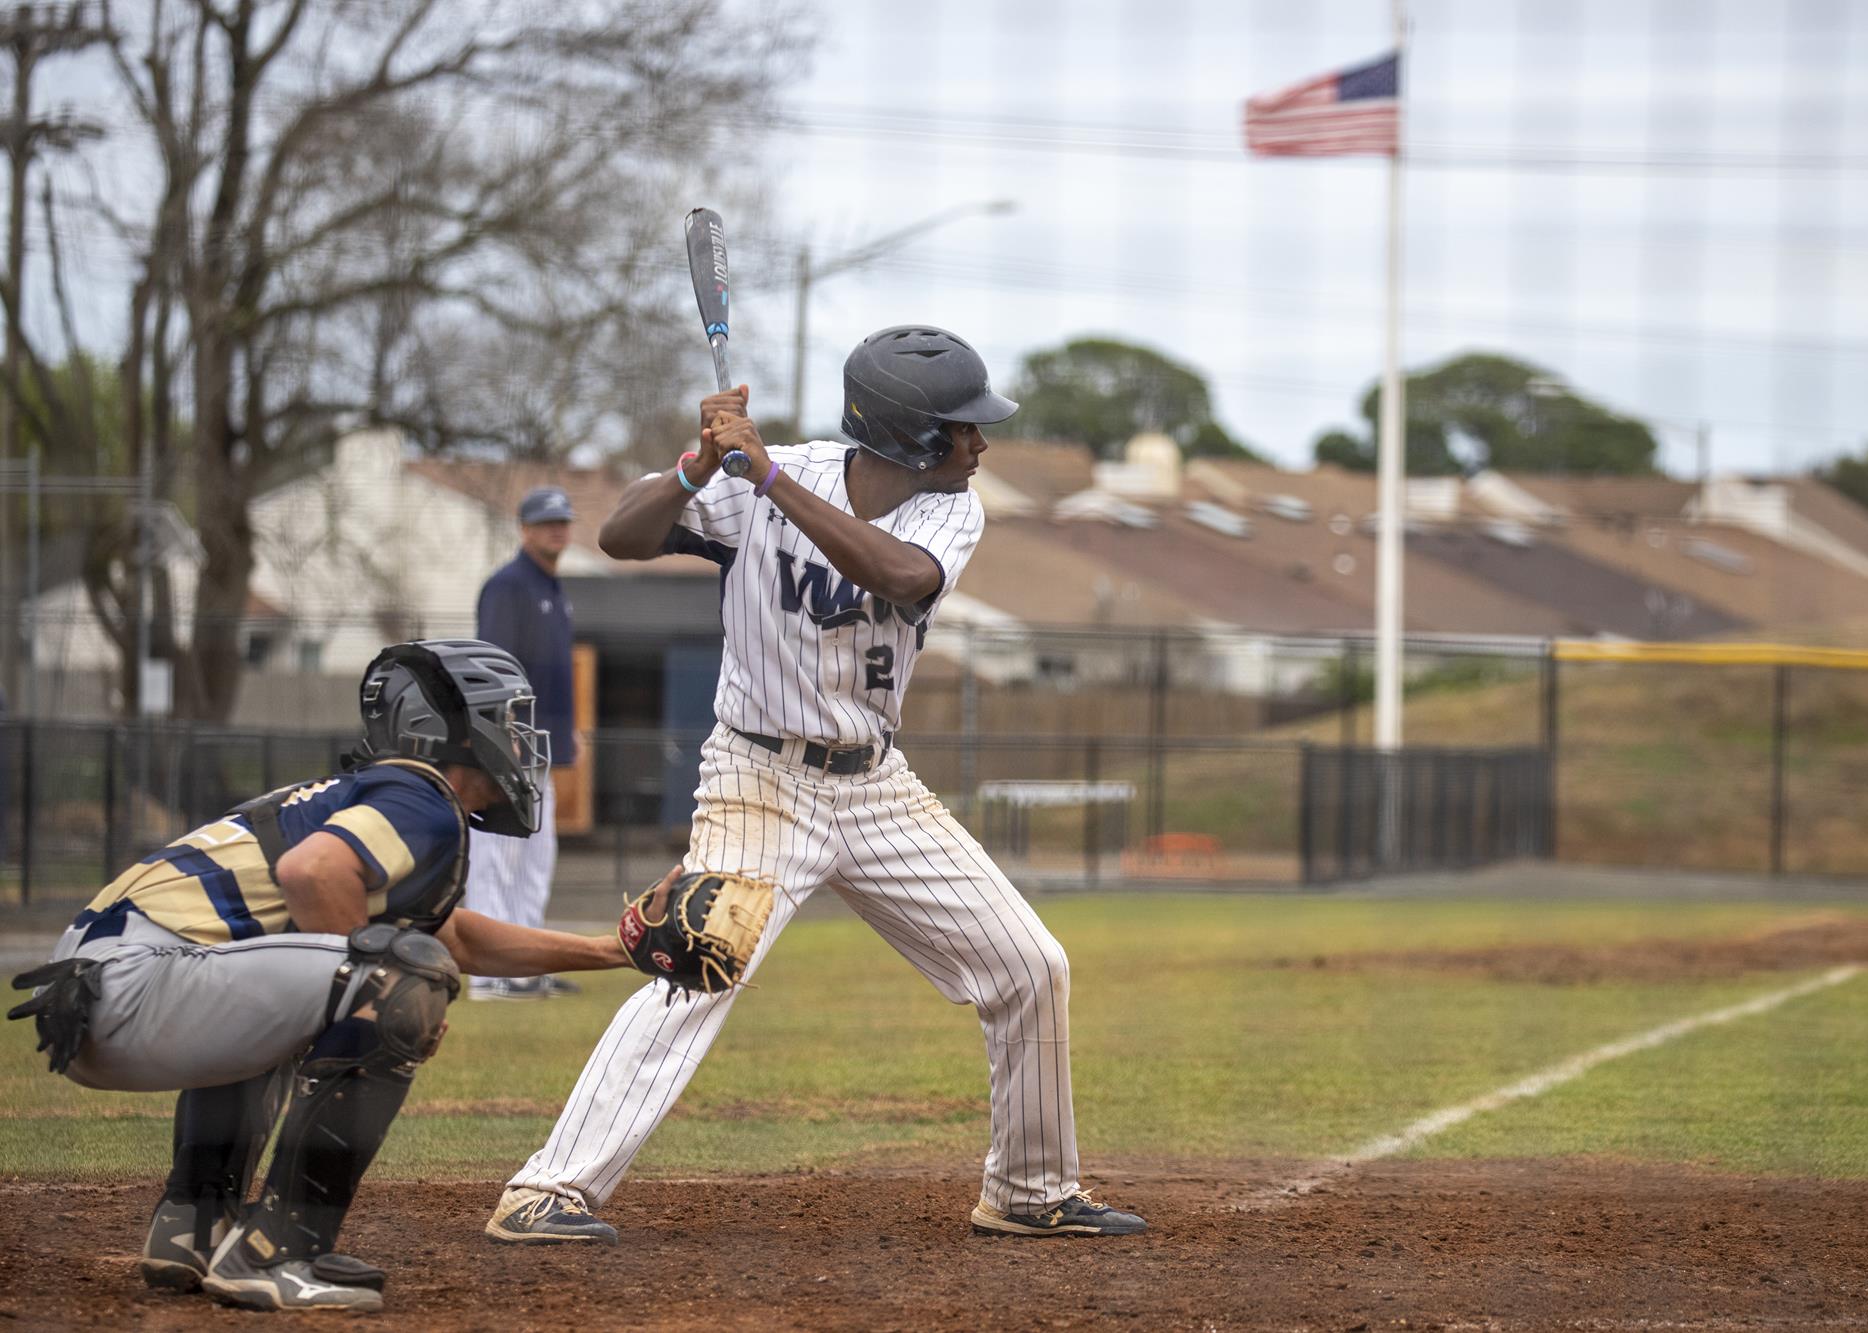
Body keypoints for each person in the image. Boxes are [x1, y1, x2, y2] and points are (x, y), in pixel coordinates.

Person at [482, 325, 1148, 1244]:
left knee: (1030, 967)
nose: (981, 443)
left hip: (875, 785)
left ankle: (1028, 1190)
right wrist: (698, 464)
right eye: (963, 429)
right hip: (758, 777)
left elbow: (899, 575)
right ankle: (547, 1189)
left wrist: (765, 482)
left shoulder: (945, 509)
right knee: (701, 962)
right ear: (912, 436)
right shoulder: (765, 470)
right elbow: (620, 535)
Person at [6, 640, 648, 1312]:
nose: (521, 740)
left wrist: (614, 949)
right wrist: (370, 990)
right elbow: (312, 873)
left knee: (345, 974)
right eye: (508, 718)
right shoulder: (422, 794)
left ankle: (195, 1225)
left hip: (100, 993)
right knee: (398, 985)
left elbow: (454, 935)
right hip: (137, 985)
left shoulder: (373, 795)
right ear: (454, 728)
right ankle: (278, 1252)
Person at [466, 486, 579, 1000]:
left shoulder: (554, 589)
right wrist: (498, 734)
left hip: (542, 745)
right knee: (497, 861)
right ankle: (490, 974)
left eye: (563, 521)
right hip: (507, 748)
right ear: (525, 528)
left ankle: (523, 968)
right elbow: (492, 669)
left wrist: (568, 731)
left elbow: (554, 674)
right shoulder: (508, 586)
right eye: (546, 521)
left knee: (536, 860)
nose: (557, 529)